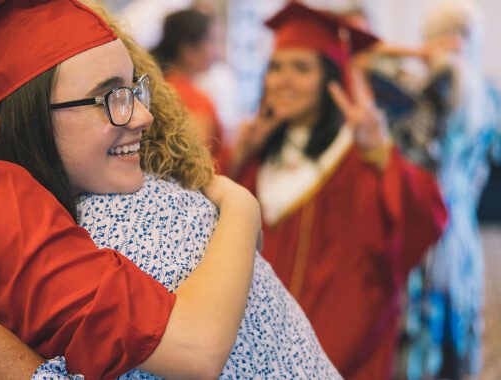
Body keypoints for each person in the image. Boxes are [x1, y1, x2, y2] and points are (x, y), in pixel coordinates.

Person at [0, 1, 340, 378]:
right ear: (13, 124)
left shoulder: (100, 217)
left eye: (134, 89)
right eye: (108, 98)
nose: (143, 114)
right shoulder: (4, 208)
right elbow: (197, 349)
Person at [227, 2, 447, 379]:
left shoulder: (352, 157)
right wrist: (241, 154)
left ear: (331, 78)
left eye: (301, 68)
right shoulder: (261, 150)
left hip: (333, 345)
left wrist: (380, 153)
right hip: (258, 341)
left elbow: (416, 222)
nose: (283, 80)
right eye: (277, 67)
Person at [402, 1, 501, 378]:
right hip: (464, 230)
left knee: (426, 324)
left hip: (430, 229)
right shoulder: (488, 97)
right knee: (459, 322)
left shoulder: (436, 90)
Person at [151, 8, 231, 173]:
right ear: (188, 50)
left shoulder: (159, 87)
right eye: (212, 41)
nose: (218, 51)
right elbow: (194, 167)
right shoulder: (193, 99)